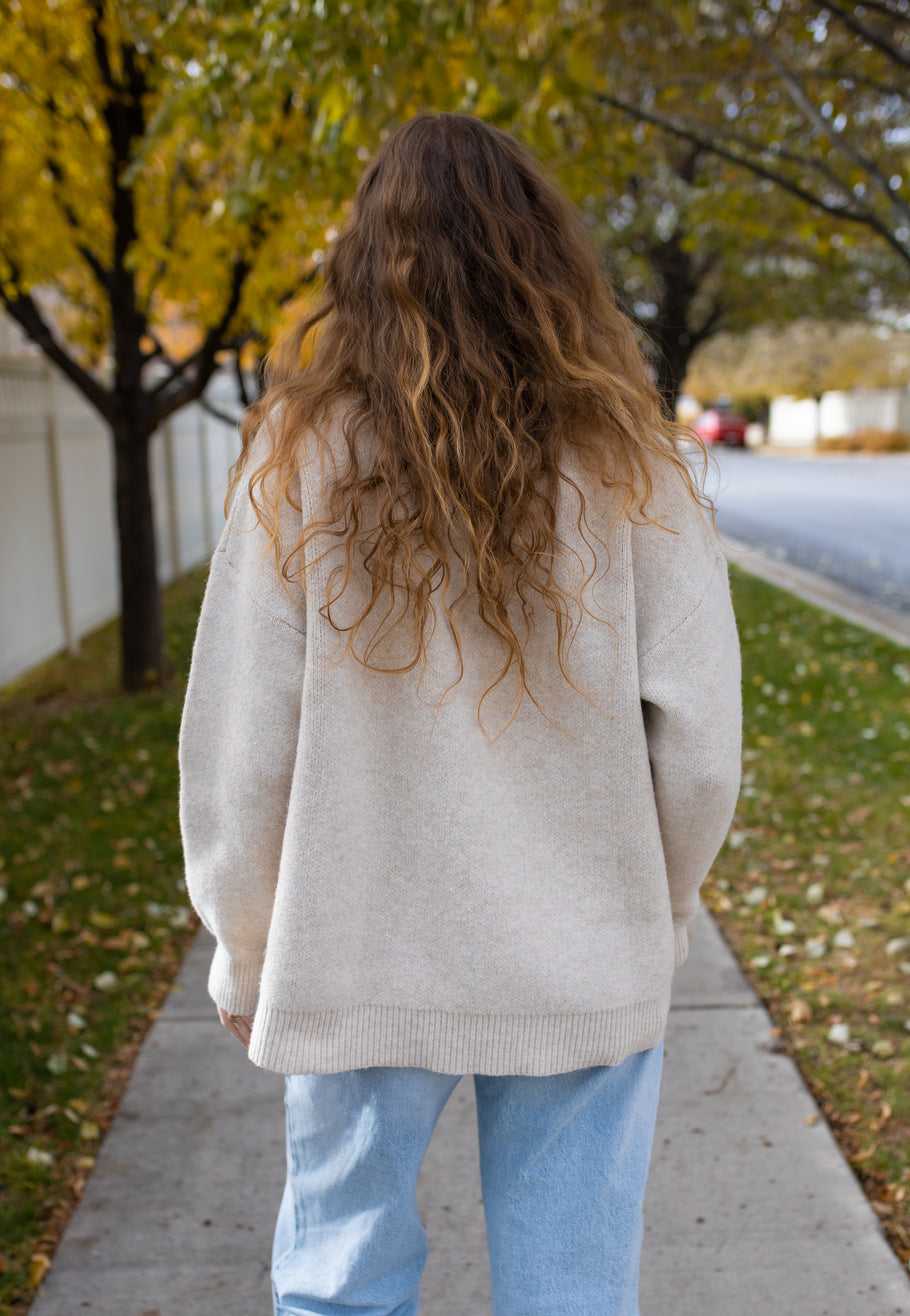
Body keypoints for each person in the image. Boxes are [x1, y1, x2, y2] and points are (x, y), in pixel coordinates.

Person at [178, 110, 742, 1316]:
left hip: (353, 941)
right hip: (583, 946)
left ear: (366, 268)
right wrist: (662, 903)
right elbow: (697, 752)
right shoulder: (634, 464)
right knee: (573, 1290)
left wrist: (244, 939)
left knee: (338, 1284)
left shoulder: (299, 454)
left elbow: (241, 741)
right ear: (546, 260)